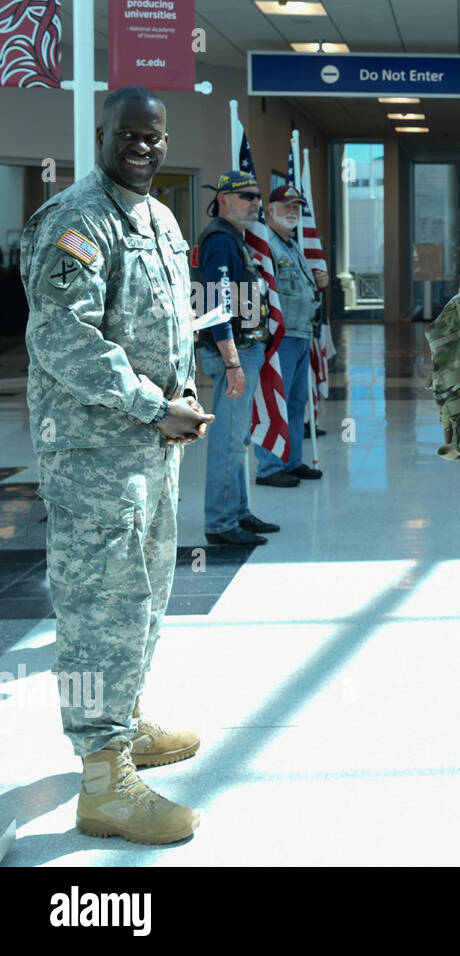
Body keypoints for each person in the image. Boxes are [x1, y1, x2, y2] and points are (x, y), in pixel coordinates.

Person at [22, 86, 212, 844]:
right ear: (99, 133)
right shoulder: (77, 219)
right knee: (95, 607)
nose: (143, 146)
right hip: (96, 455)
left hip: (151, 448)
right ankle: (101, 777)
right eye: (128, 134)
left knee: (142, 592)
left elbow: (175, 320)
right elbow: (62, 338)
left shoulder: (159, 218)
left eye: (154, 136)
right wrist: (148, 404)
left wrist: (185, 389)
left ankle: (124, 721)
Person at [195, 170, 283, 545]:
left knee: (238, 438)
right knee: (228, 440)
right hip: (232, 352)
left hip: (245, 349)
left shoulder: (235, 239)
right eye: (246, 196)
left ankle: (238, 511)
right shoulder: (219, 240)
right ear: (224, 200)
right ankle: (221, 522)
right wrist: (231, 363)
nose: (255, 203)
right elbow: (213, 305)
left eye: (257, 196)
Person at [254, 183, 324, 484]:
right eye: (286, 207)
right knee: (276, 403)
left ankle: (292, 460)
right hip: (281, 336)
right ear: (270, 210)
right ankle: (270, 467)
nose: (292, 212)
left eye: (296, 207)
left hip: (300, 333)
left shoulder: (291, 244)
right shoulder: (267, 244)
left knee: (296, 403)